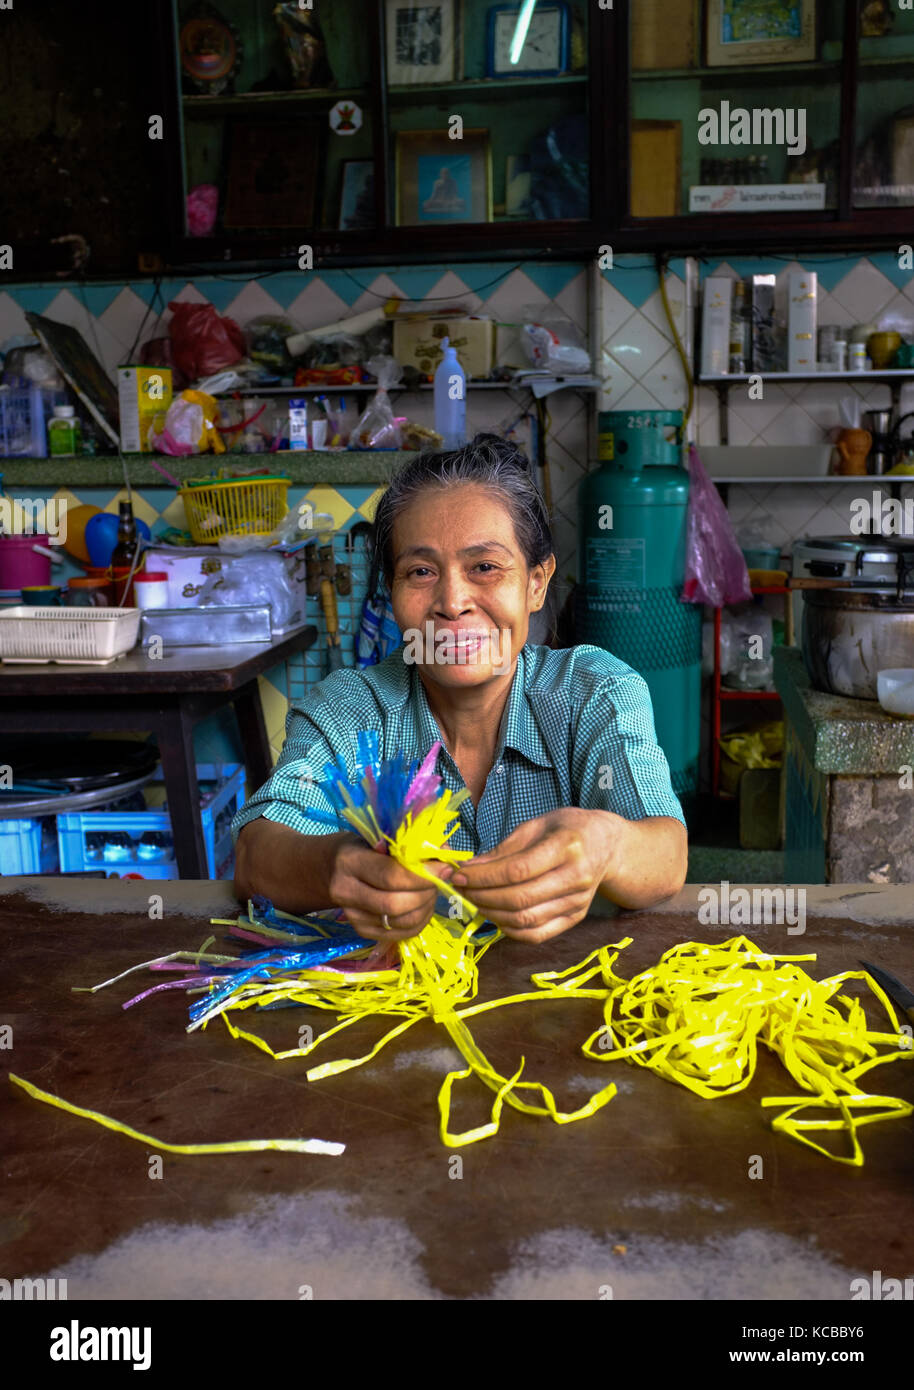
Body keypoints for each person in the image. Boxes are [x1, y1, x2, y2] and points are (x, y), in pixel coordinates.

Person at [232, 434, 687, 944]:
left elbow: (666, 858)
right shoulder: (351, 709)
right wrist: (334, 867)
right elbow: (255, 856)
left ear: (536, 583)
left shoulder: (594, 692)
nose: (452, 601)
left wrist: (606, 845)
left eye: (485, 568)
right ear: (391, 590)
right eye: (421, 571)